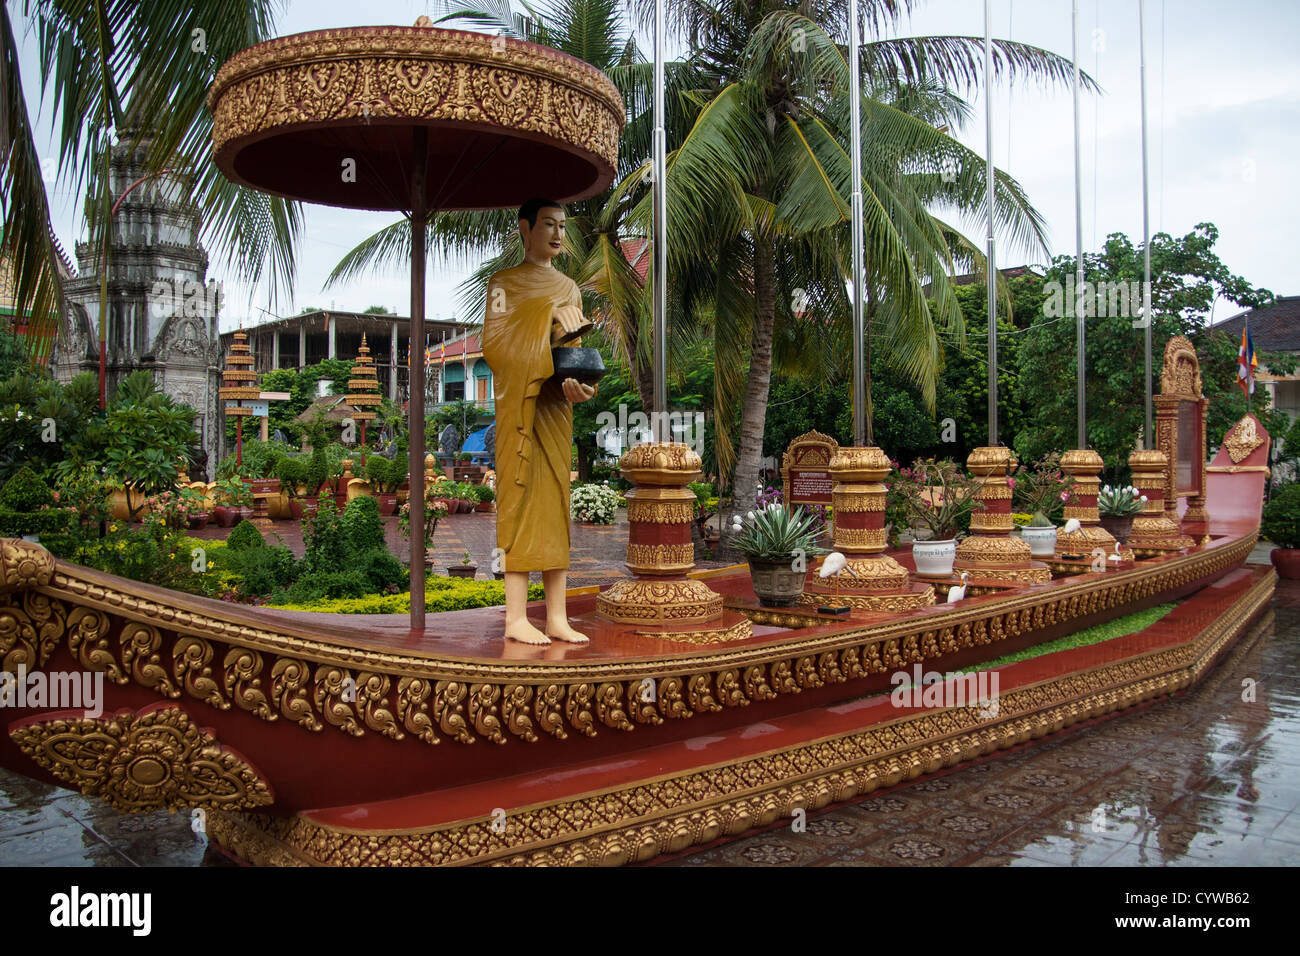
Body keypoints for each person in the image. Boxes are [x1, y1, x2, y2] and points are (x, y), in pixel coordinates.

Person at [481, 199, 597, 644]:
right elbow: (495, 346)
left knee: (555, 506)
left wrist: (584, 385)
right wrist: (543, 317)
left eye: (562, 226)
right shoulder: (503, 284)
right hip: (520, 413)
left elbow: (576, 355)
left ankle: (556, 616)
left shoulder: (569, 286)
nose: (557, 233)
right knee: (519, 502)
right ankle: (514, 617)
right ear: (525, 229)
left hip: (554, 410)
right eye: (547, 224)